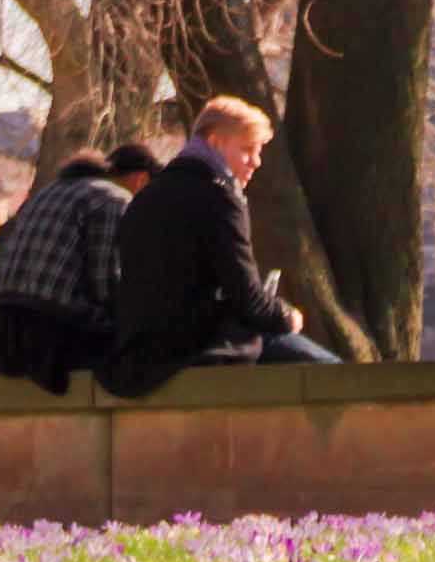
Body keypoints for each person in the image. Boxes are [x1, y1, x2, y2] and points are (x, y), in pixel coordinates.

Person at [105, 96, 337, 392]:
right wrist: (286, 316)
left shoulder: (146, 197)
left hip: (141, 352)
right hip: (198, 347)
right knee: (333, 373)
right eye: (247, 150)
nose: (257, 161)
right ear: (215, 142)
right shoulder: (220, 197)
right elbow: (247, 299)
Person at [0, 143, 156, 392]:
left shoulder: (48, 192)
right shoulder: (114, 199)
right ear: (140, 180)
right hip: (54, 336)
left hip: (4, 337)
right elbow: (107, 284)